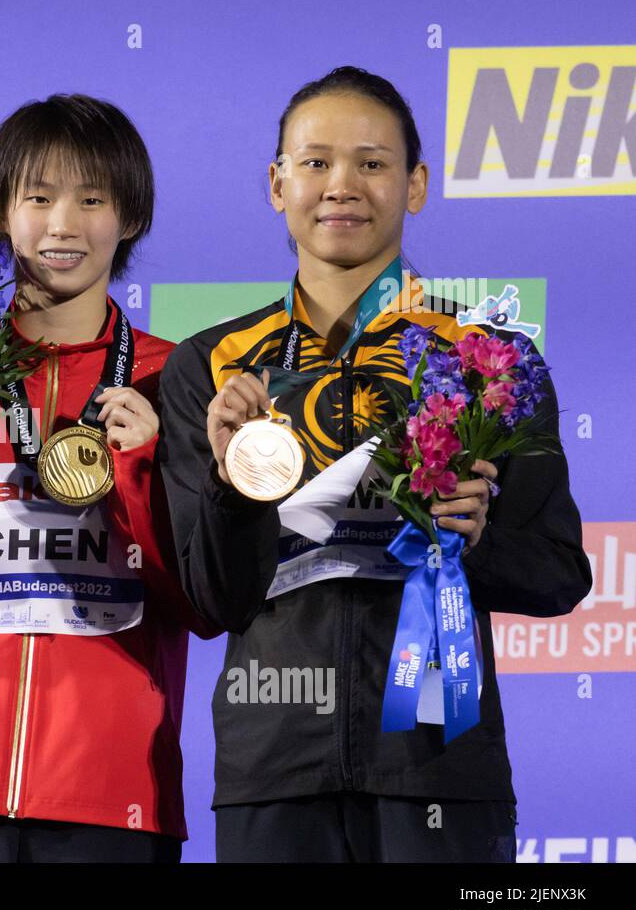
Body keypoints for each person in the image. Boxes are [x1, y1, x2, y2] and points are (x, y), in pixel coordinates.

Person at [158, 67, 592, 862]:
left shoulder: (489, 362)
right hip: (273, 773)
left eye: (373, 162)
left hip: (441, 767)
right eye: (316, 162)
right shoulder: (211, 369)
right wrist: (231, 485)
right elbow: (210, 600)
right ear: (276, 183)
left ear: (416, 184)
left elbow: (560, 573)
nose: (342, 186)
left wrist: (478, 536)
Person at [0, 94, 213, 863]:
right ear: (0, 213)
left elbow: (197, 598)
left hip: (114, 792)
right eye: (38, 197)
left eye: (92, 198)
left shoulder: (177, 379)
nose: (62, 224)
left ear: (130, 217)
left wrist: (141, 468)